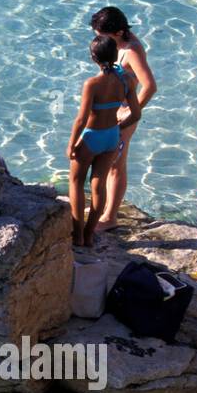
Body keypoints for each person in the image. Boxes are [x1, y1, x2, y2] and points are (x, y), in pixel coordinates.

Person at [66, 35, 139, 247]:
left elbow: (81, 118)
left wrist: (71, 144)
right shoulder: (126, 80)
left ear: (93, 58)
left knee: (76, 182)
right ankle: (89, 235)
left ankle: (77, 235)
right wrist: (117, 129)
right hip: (111, 137)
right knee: (99, 187)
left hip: (91, 136)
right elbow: (135, 114)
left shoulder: (92, 83)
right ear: (116, 55)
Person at [89, 6, 156, 230]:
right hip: (112, 111)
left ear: (118, 32)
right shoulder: (117, 44)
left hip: (124, 115)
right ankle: (107, 208)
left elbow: (149, 86)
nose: (99, 40)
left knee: (116, 164)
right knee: (109, 162)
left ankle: (110, 217)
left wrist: (131, 111)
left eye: (102, 35)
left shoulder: (132, 51)